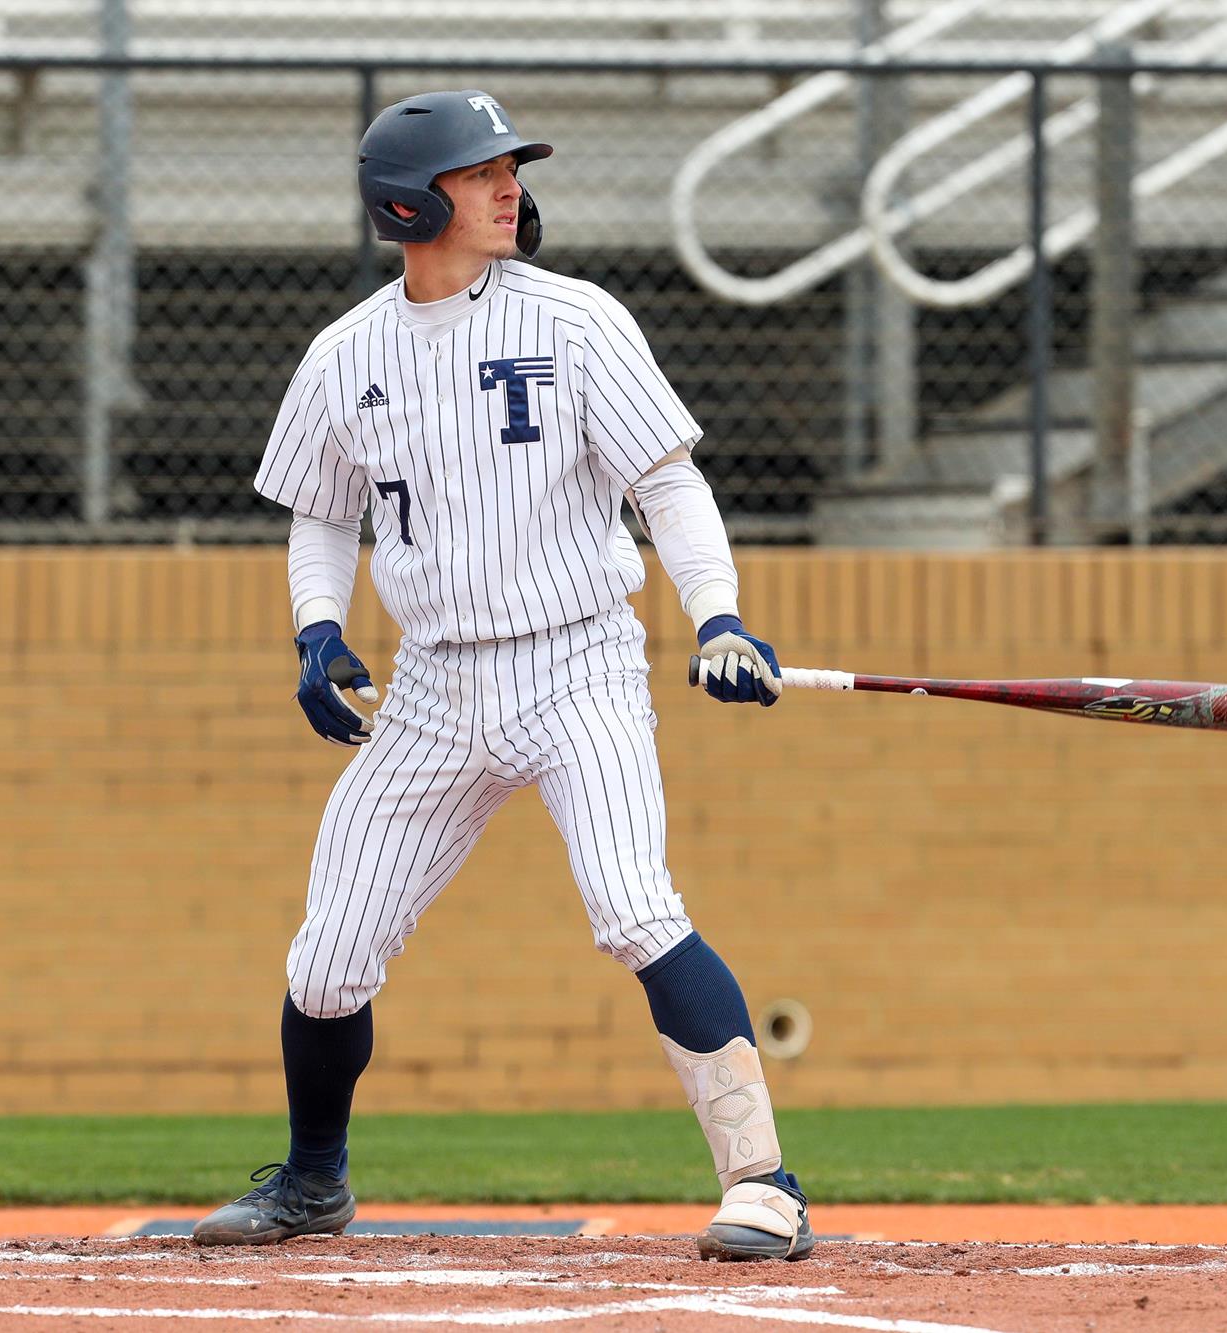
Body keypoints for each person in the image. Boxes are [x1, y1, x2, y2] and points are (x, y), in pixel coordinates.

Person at [196, 90, 811, 1262]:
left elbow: (667, 487)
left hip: (575, 660)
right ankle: (312, 1183)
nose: (506, 186)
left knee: (634, 908)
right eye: (479, 171)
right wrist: (316, 633)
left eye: (507, 169)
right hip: (429, 687)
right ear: (407, 202)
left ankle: (763, 1185)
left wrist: (718, 615)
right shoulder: (344, 354)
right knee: (328, 958)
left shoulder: (575, 320)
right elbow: (322, 520)